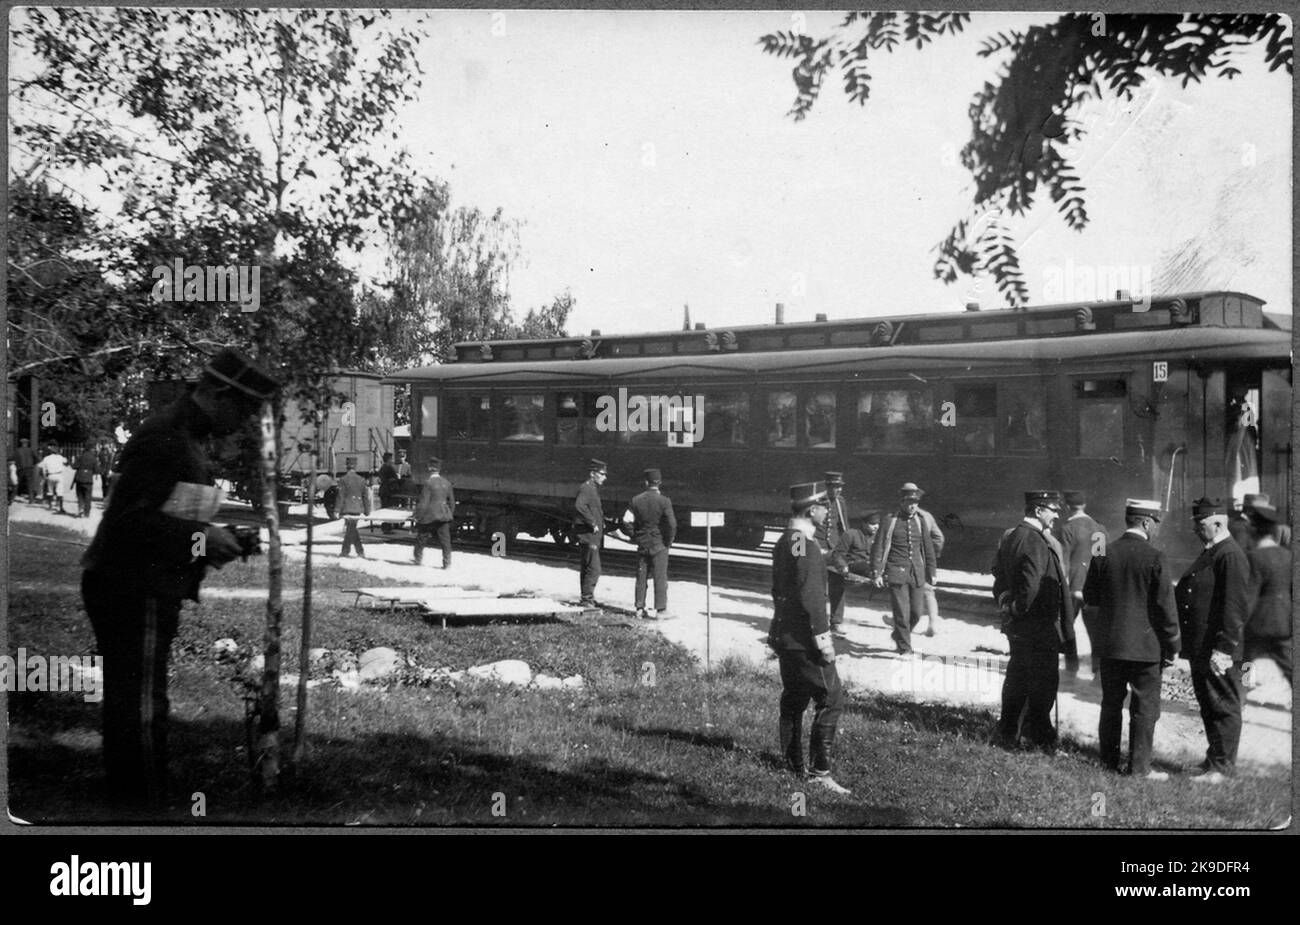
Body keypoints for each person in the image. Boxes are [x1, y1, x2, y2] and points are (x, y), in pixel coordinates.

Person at [81, 347, 278, 808]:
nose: (247, 420)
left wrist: (217, 539)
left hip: (141, 583)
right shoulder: (166, 436)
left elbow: (170, 514)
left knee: (135, 700)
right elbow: (132, 524)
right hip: (133, 586)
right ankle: (144, 808)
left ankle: (132, 799)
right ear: (214, 393)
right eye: (243, 408)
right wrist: (202, 540)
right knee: (143, 707)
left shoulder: (184, 434)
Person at [1082, 499, 1180, 779]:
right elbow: (1165, 609)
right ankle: (1139, 769)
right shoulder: (1155, 557)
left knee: (1110, 704)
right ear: (1146, 522)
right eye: (1156, 523)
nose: (1157, 528)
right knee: (1145, 709)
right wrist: (1172, 645)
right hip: (1146, 650)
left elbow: (1091, 599)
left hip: (1111, 646)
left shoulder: (1104, 552)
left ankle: (1108, 762)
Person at [768, 480, 849, 795]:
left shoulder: (785, 540)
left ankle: (791, 765)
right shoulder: (806, 545)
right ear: (811, 509)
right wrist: (823, 641)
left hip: (785, 636)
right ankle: (820, 772)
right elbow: (811, 597)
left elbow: (782, 592)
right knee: (832, 697)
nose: (828, 511)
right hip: (805, 641)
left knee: (793, 699)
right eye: (824, 506)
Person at [990, 490, 1073, 752]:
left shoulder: (1012, 535)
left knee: (1017, 677)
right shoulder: (1035, 539)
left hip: (1020, 626)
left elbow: (998, 575)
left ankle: (1008, 731)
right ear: (1038, 511)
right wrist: (1016, 607)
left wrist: (1005, 602)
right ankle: (1038, 736)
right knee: (1043, 682)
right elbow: (1032, 586)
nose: (1057, 514)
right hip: (1037, 625)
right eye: (1052, 509)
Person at [1174, 497, 1250, 783]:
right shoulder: (1214, 551)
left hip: (1218, 649)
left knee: (1223, 705)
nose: (1195, 528)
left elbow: (1235, 606)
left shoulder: (1229, 555)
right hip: (1202, 646)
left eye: (1200, 523)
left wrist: (1224, 648)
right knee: (1209, 703)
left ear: (1218, 523)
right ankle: (1214, 760)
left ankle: (1223, 768)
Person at [870, 482, 943, 655]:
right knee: (902, 613)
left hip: (917, 573)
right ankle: (905, 648)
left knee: (916, 613)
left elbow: (928, 548)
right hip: (896, 572)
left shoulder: (920, 520)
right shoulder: (890, 520)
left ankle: (898, 635)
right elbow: (878, 546)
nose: (913, 506)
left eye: (916, 502)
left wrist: (932, 571)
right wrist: (877, 572)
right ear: (902, 501)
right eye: (910, 502)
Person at [1055, 489, 1106, 675]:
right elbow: (1101, 560)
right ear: (1084, 505)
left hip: (1073, 588)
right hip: (1095, 589)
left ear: (1067, 507)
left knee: (1066, 627)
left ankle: (1071, 667)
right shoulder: (1099, 528)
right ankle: (1098, 670)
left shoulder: (1066, 529)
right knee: (1096, 631)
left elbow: (1064, 562)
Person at [1242, 502, 1291, 684]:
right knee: (1290, 666)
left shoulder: (1253, 558)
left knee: (1247, 663)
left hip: (1257, 626)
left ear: (1254, 530)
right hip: (1284, 624)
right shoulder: (1288, 556)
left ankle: (1243, 696)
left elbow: (1249, 596)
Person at [622, 468, 677, 619]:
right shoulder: (665, 501)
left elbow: (626, 521)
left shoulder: (636, 500)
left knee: (641, 576)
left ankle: (639, 609)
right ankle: (661, 610)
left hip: (643, 543)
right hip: (659, 545)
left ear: (646, 482)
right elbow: (672, 525)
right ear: (659, 483)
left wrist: (635, 536)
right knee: (660, 577)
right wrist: (668, 541)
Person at [818, 471, 852, 632]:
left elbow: (844, 527)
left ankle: (836, 621)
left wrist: (845, 548)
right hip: (817, 548)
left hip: (835, 550)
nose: (838, 490)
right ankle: (819, 622)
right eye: (834, 487)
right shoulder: (815, 502)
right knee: (819, 588)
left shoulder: (840, 502)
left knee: (838, 586)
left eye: (840, 487)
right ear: (826, 487)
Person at [573, 459, 607, 606]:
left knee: (588, 567)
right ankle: (586, 599)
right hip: (588, 535)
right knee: (594, 568)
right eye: (602, 474)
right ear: (592, 474)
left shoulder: (591, 488)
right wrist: (592, 522)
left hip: (590, 535)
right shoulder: (587, 488)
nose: (604, 477)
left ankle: (587, 597)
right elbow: (579, 506)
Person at [414, 458, 456, 569]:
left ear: (429, 468)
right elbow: (452, 502)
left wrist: (417, 516)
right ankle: (447, 562)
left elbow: (423, 503)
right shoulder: (447, 482)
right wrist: (449, 514)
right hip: (443, 515)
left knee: (421, 538)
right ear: (439, 469)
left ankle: (418, 558)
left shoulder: (428, 483)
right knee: (445, 541)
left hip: (429, 515)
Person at [337, 457, 370, 558]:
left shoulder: (343, 479)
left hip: (347, 508)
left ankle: (349, 551)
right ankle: (356, 551)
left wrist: (337, 509)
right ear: (355, 466)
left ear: (346, 466)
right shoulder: (361, 480)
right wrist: (367, 511)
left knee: (351, 529)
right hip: (357, 509)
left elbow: (341, 496)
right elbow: (365, 496)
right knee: (351, 529)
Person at [72, 445, 99, 518]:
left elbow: (74, 466)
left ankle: (80, 509)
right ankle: (87, 513)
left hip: (79, 477)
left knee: (80, 495)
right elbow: (97, 470)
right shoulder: (94, 458)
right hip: (88, 479)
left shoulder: (80, 457)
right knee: (88, 496)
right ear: (91, 449)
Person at [39, 444, 67, 513]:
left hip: (50, 475)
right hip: (59, 475)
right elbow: (66, 462)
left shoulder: (46, 458)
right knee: (59, 491)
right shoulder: (60, 457)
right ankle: (61, 507)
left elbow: (42, 467)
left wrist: (44, 475)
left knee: (50, 491)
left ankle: (50, 505)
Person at [15, 436, 36, 502]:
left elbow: (12, 457)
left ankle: (12, 497)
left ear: (21, 443)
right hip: (29, 468)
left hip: (21, 468)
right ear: (27, 443)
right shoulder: (31, 450)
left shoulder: (18, 450)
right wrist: (33, 464)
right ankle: (31, 499)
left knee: (17, 482)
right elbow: (36, 458)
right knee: (30, 484)